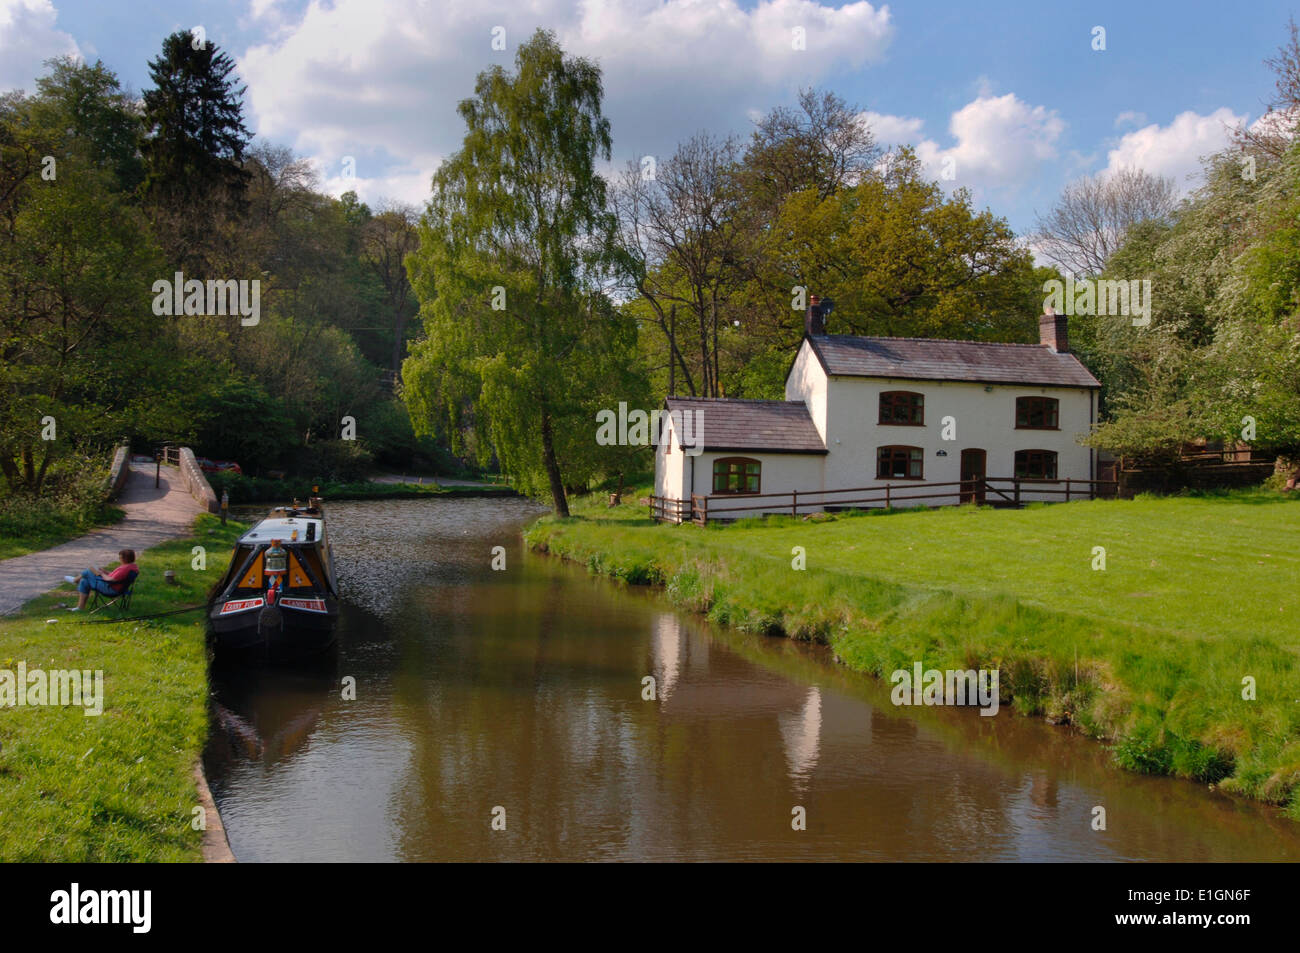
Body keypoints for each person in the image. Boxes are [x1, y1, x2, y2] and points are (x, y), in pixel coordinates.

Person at [64, 549, 138, 611]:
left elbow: (111, 580)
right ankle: (80, 607)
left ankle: (75, 580)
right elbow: (115, 577)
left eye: (120, 558)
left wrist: (101, 574)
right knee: (84, 581)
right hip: (119, 588)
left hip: (110, 589)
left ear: (125, 559)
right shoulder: (132, 567)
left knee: (89, 570)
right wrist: (104, 571)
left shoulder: (124, 568)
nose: (119, 560)